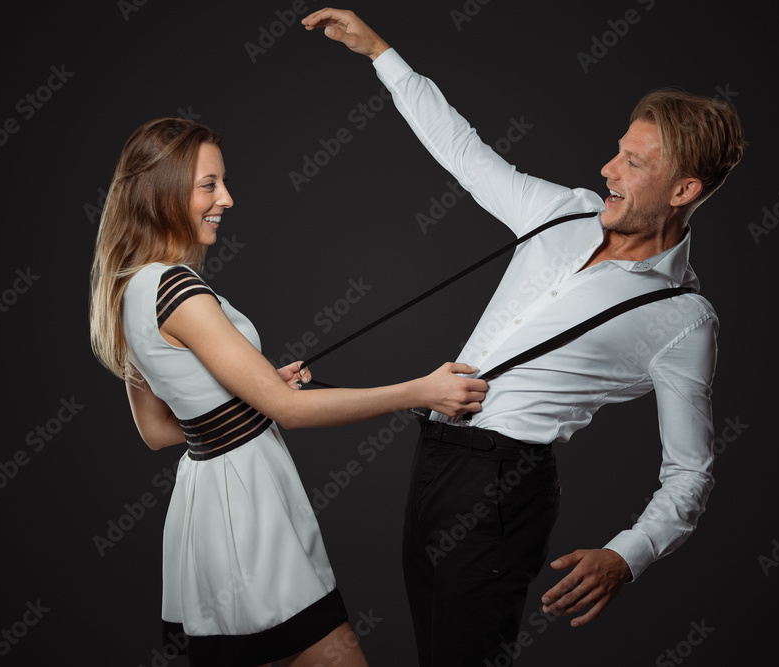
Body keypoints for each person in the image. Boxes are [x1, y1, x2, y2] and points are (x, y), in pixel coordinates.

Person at [303, 8, 746, 666]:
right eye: (616, 150)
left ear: (684, 189)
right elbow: (462, 152)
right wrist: (378, 52)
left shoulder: (683, 319)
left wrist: (628, 554)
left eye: (632, 162)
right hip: (433, 460)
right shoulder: (563, 210)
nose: (607, 168)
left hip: (501, 489)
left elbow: (691, 473)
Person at [88, 116, 488, 667]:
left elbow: (158, 431)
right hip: (247, 514)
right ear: (161, 191)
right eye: (209, 184)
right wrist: (421, 391)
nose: (226, 198)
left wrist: (247, 391)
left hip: (209, 509)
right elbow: (290, 413)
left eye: (221, 182)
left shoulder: (128, 287)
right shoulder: (177, 288)